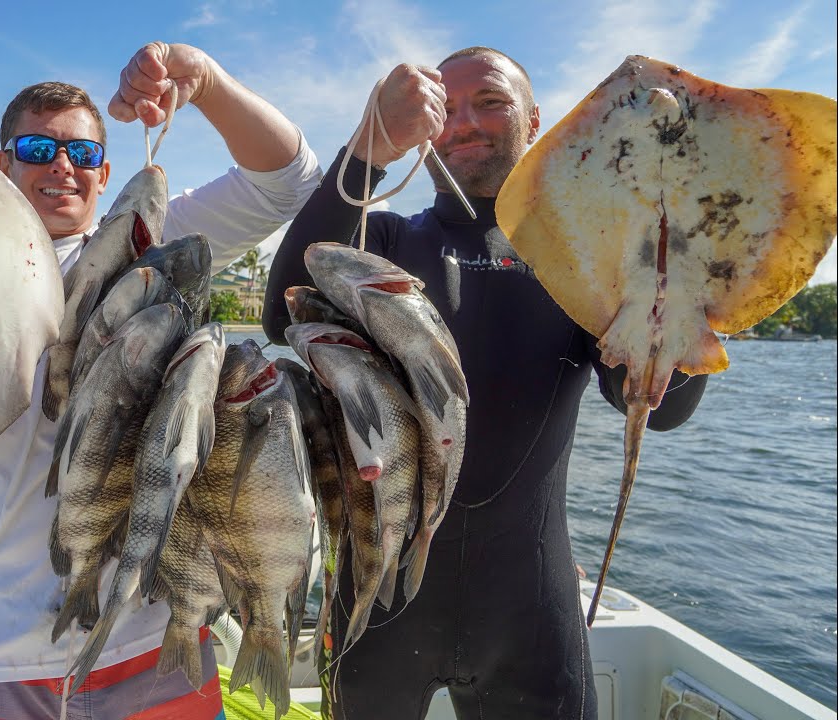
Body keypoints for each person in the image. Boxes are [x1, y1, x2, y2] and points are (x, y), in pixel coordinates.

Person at [263, 47, 708, 720]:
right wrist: (368, 147)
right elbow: (280, 311)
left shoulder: (585, 260)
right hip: (377, 607)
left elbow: (663, 408)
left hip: (530, 614)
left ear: (534, 119)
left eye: (492, 102)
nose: (466, 122)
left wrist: (689, 290)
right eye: (449, 106)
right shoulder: (378, 241)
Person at [0, 41, 321, 720]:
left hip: (157, 639)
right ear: (3, 164)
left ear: (106, 171)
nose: (63, 166)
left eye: (83, 154)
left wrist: (203, 82)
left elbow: (289, 179)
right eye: (37, 149)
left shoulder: (151, 249)